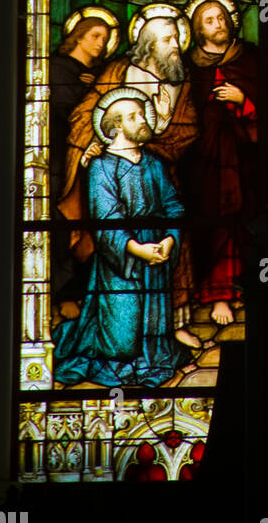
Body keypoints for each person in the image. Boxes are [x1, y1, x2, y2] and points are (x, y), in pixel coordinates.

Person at [59, 4, 200, 348]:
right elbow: (86, 112)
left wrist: (155, 144)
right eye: (168, 39)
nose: (175, 46)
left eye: (177, 38)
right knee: (111, 239)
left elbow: (190, 126)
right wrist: (96, 142)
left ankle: (173, 321)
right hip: (116, 166)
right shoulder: (120, 69)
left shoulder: (181, 78)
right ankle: (114, 322)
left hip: (160, 169)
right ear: (150, 43)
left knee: (175, 245)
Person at [52, 89, 191, 388]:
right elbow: (107, 218)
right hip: (120, 260)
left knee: (153, 326)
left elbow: (174, 205)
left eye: (142, 113)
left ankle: (150, 359)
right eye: (133, 116)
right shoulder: (101, 167)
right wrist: (136, 250)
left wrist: (169, 240)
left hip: (156, 250)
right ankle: (112, 358)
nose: (143, 119)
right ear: (115, 127)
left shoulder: (153, 163)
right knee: (120, 324)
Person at [185, 0, 259, 327]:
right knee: (211, 223)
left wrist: (244, 100)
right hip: (201, 161)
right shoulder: (189, 65)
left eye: (222, 17)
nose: (219, 24)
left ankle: (249, 287)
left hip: (247, 159)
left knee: (245, 221)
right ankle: (216, 294)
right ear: (198, 30)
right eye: (210, 20)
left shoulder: (251, 58)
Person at [49, 7, 119, 315]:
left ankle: (87, 292)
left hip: (92, 161)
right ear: (77, 36)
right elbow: (70, 110)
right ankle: (63, 293)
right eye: (94, 36)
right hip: (60, 159)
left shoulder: (97, 75)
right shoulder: (57, 69)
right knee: (64, 221)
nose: (100, 44)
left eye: (105, 39)